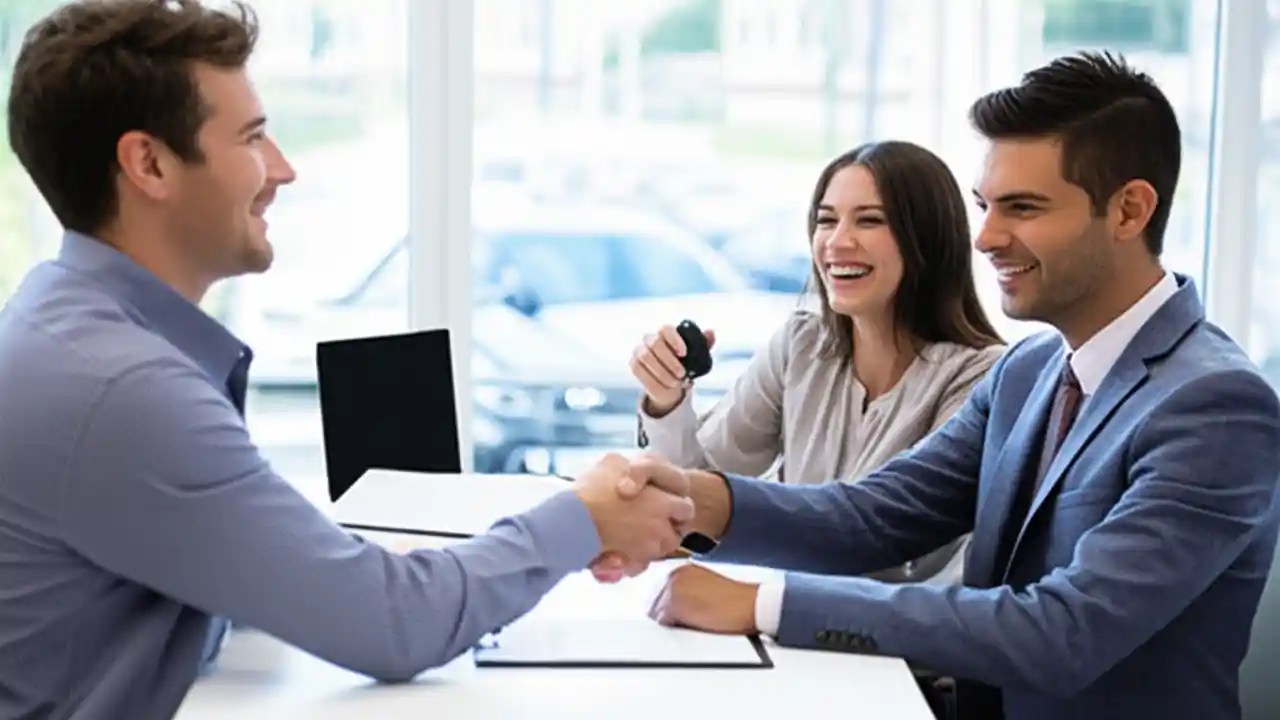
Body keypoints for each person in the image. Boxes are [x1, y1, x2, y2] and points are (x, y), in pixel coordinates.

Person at [0, 2, 690, 718]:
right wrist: (585, 519)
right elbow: (395, 627)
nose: (283, 170)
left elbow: (233, 562)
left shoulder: (66, 327)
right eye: (253, 138)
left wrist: (342, 568)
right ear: (149, 163)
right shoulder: (123, 390)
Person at [609, 52, 1280, 720]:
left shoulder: (1215, 406)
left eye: (1022, 207)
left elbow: (1063, 632)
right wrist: (689, 500)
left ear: (1130, 210)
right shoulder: (1031, 373)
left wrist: (762, 604)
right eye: (985, 205)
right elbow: (873, 518)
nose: (985, 237)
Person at [628, 140, 1005, 584]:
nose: (837, 242)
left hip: (875, 637)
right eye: (826, 220)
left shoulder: (983, 377)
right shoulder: (802, 345)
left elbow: (893, 555)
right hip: (771, 620)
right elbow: (692, 489)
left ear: (926, 238)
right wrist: (667, 399)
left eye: (870, 221)